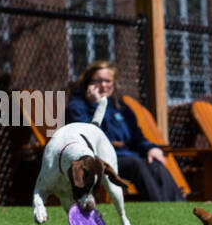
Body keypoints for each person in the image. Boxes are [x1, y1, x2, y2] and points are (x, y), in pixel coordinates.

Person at [65, 60, 183, 202]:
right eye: (98, 81)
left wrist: (150, 148)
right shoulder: (77, 107)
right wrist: (97, 105)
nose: (103, 85)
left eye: (107, 81)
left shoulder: (120, 107)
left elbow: (136, 136)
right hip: (98, 159)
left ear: (113, 84)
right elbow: (92, 135)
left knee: (155, 162)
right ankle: (159, 205)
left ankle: (178, 205)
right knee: (137, 164)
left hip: (125, 155)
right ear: (88, 83)